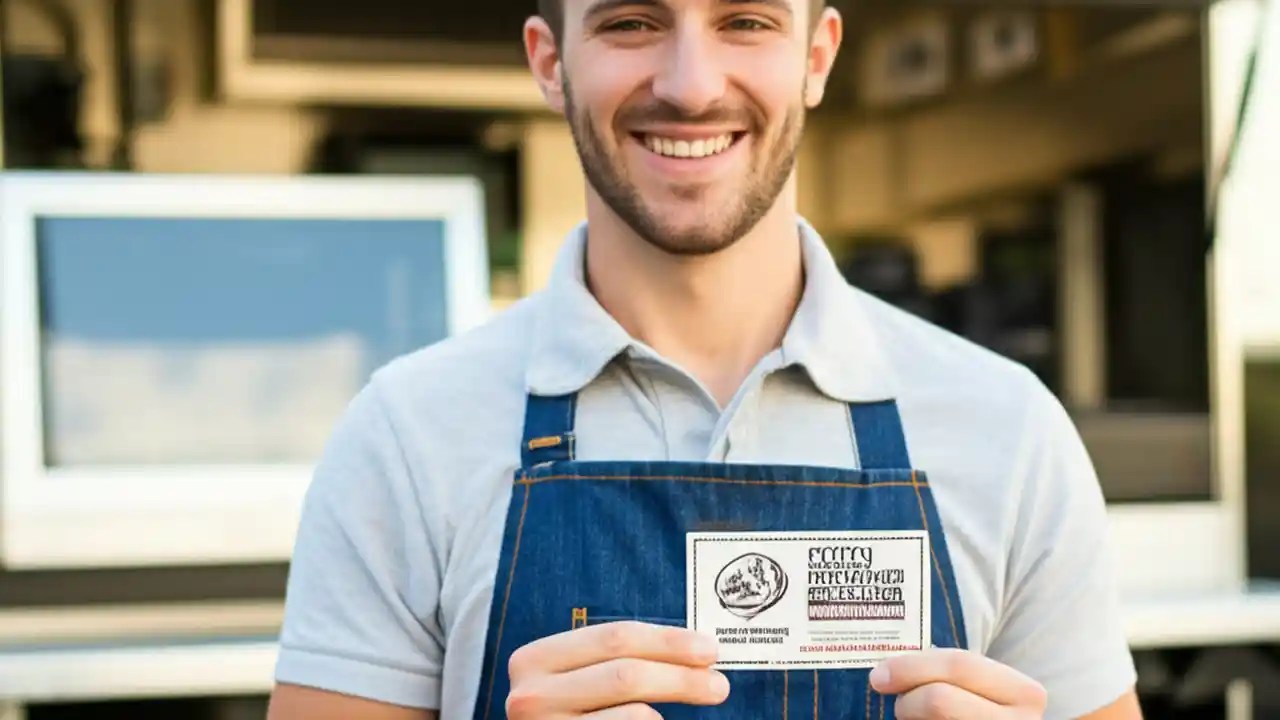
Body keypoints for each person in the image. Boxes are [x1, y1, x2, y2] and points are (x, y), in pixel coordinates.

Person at [267, 0, 1144, 718]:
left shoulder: (1009, 429)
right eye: (631, 23)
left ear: (817, 54)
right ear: (548, 60)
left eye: (747, 22)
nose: (690, 86)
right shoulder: (405, 438)